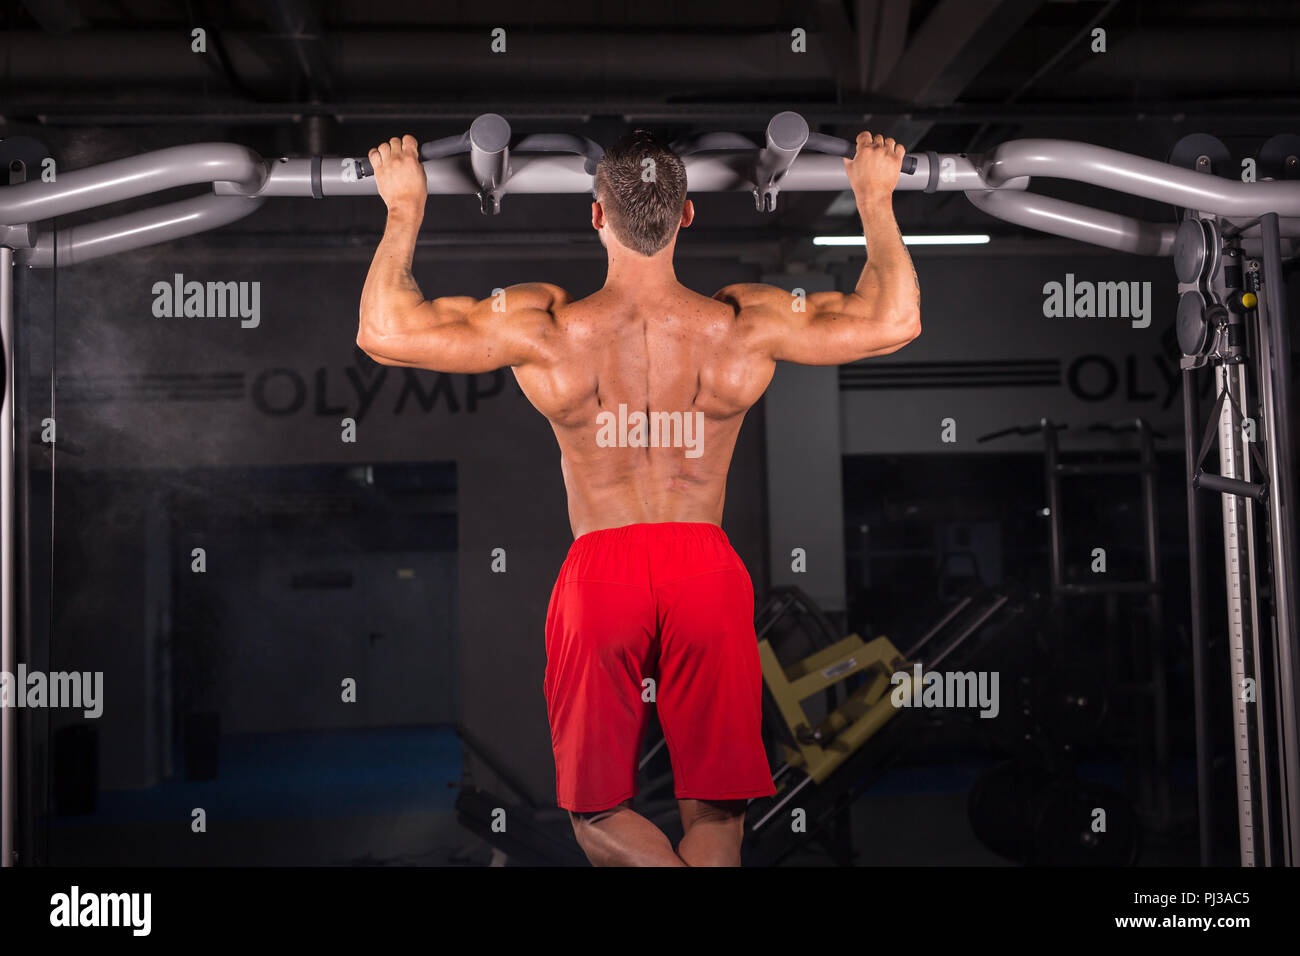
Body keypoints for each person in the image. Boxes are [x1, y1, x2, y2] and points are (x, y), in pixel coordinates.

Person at [357, 128, 921, 866]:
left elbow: (383, 330)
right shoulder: (743, 324)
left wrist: (403, 207)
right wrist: (875, 197)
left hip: (602, 572)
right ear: (687, 215)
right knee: (717, 811)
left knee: (596, 815)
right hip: (705, 569)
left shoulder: (547, 329)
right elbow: (894, 320)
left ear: (597, 216)